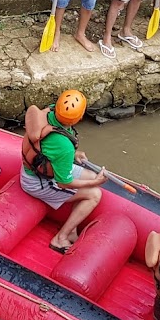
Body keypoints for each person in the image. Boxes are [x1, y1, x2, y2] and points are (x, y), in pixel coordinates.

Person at [20, 90, 105, 254]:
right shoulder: (64, 146)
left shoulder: (50, 112)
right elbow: (63, 183)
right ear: (80, 118)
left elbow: (49, 148)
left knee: (90, 175)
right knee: (94, 194)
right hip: (37, 182)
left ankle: (72, 231)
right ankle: (60, 239)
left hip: (37, 169)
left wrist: (74, 155)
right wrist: (94, 183)